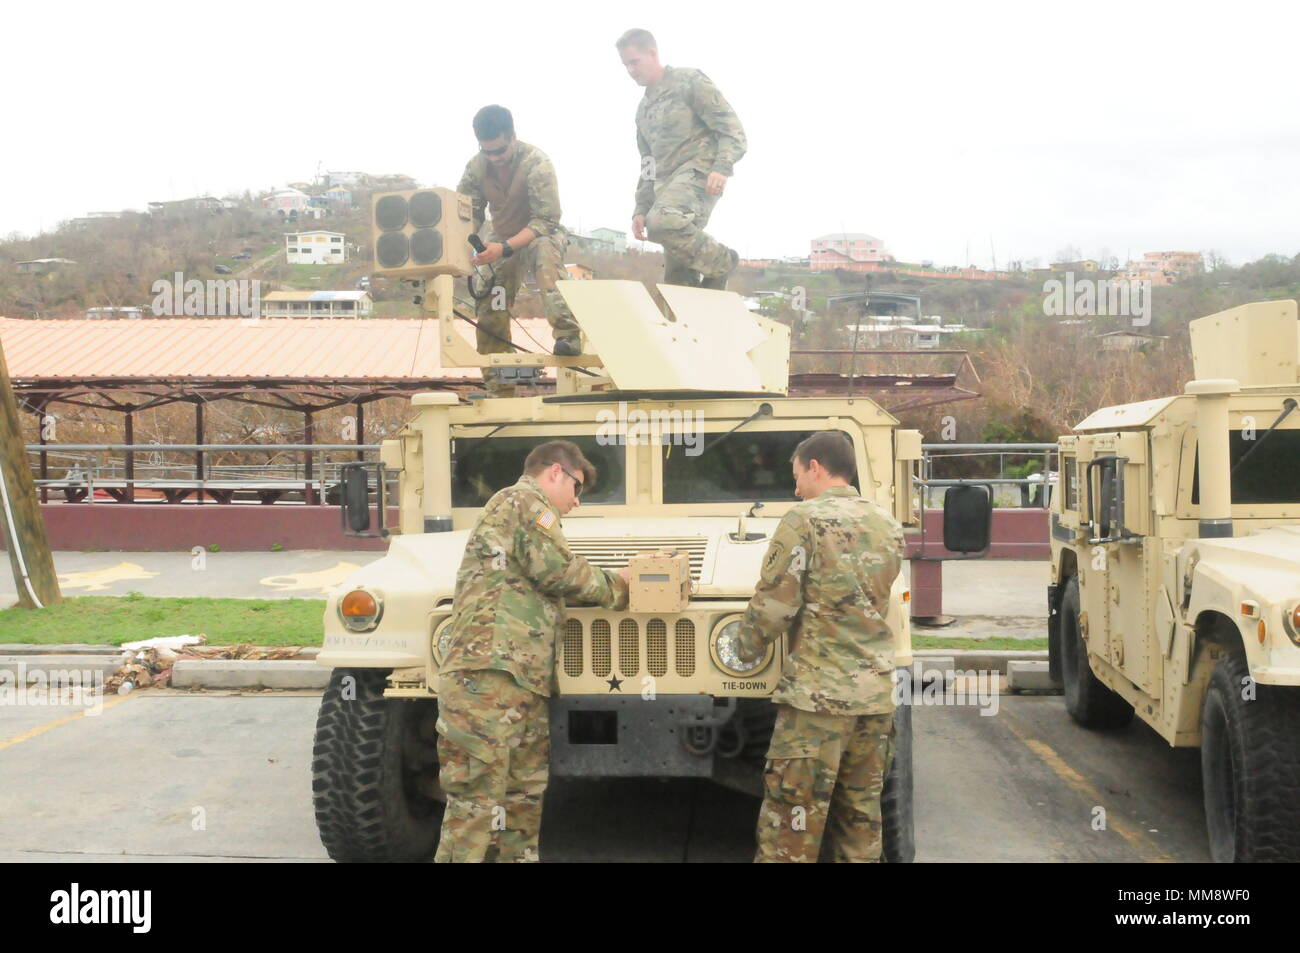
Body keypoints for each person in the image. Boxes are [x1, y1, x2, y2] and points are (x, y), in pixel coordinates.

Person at [435, 440, 630, 862]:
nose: (576, 502)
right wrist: (623, 583)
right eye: (577, 488)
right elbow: (559, 570)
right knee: (475, 803)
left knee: (522, 798)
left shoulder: (523, 510)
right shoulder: (524, 500)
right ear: (556, 472)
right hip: (487, 677)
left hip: (519, 681)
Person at [733, 432, 905, 862]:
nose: (796, 489)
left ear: (816, 467)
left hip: (816, 705)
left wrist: (743, 651)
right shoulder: (886, 523)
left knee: (792, 824)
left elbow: (775, 604)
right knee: (860, 821)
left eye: (797, 476)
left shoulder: (803, 521)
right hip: (873, 701)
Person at [457, 105, 583, 397]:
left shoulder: (536, 162)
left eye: (500, 151)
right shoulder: (476, 168)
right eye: (487, 152)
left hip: (540, 233)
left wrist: (505, 247)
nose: (494, 158)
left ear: (513, 137)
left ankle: (567, 335)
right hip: (500, 238)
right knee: (491, 298)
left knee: (544, 257)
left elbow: (547, 219)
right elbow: (468, 213)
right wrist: (465, 246)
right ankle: (497, 379)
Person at [616, 28, 746, 289]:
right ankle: (703, 320)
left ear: (652, 54)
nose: (630, 70)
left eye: (634, 62)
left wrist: (721, 167)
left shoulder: (689, 81)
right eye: (625, 65)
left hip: (700, 174)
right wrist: (640, 209)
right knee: (678, 282)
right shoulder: (643, 110)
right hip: (665, 189)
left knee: (662, 223)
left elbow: (733, 130)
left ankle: (723, 262)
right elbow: (648, 163)